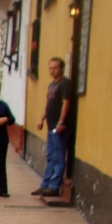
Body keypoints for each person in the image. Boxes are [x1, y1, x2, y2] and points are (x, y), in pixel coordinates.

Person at [31, 57, 72, 197]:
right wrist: (41, 119)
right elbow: (48, 104)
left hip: (60, 127)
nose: (52, 70)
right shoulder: (51, 85)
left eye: (55, 68)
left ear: (61, 68)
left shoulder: (65, 84)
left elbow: (66, 103)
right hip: (50, 126)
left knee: (59, 156)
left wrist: (61, 122)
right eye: (50, 68)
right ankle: (45, 184)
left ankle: (54, 186)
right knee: (50, 156)